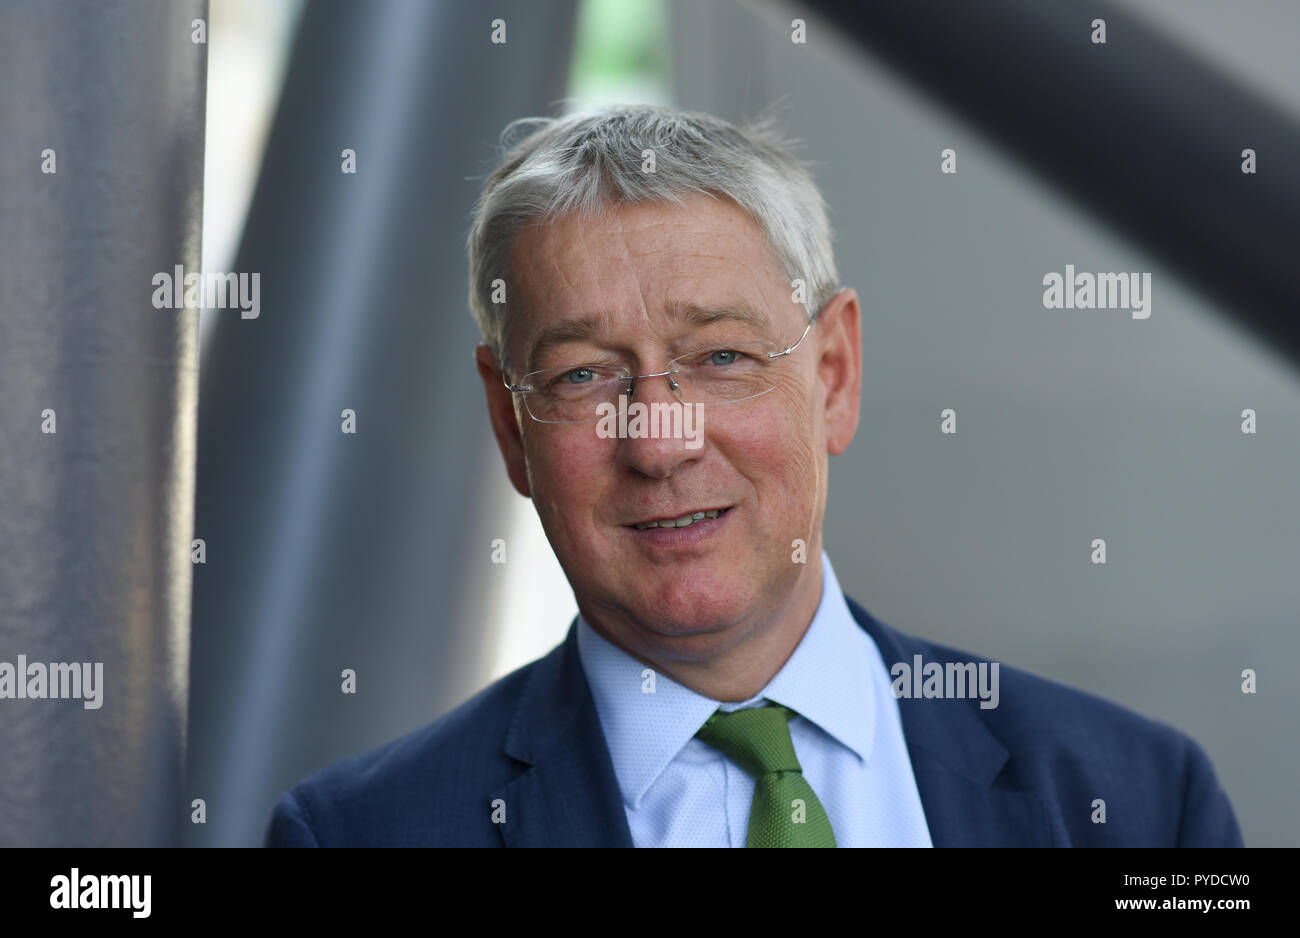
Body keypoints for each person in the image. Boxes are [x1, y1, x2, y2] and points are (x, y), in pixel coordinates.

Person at [265, 104, 1242, 847]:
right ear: (509, 424)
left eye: (721, 357)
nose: (660, 441)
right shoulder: (357, 835)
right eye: (583, 374)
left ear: (833, 375)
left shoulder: (1142, 802)